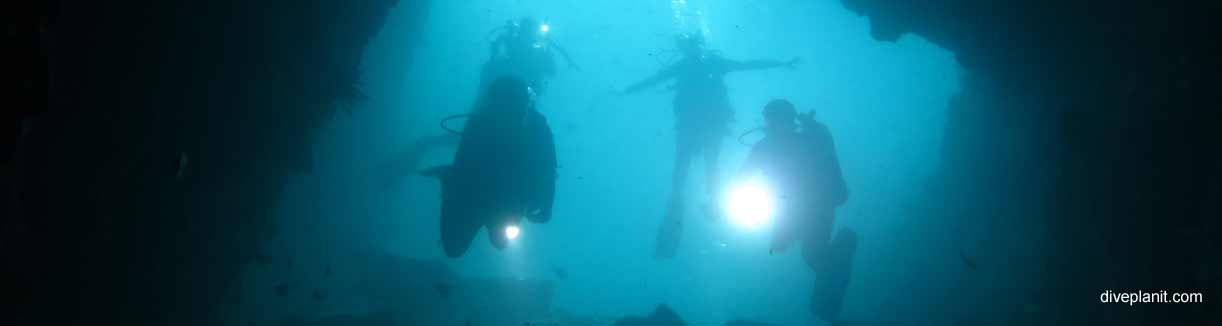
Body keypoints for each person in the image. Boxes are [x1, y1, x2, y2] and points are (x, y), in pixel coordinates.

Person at [621, 32, 800, 258]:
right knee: (697, 169)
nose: (692, 52)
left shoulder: (694, 65)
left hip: (699, 125)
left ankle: (700, 203)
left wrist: (626, 90)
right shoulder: (706, 64)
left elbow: (747, 65)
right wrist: (781, 64)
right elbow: (747, 65)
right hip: (704, 125)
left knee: (693, 170)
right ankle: (701, 203)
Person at [734, 99, 854, 320]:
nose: (775, 124)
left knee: (811, 253)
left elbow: (827, 150)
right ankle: (835, 270)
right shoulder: (767, 146)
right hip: (791, 207)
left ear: (789, 120)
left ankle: (840, 256)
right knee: (799, 251)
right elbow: (744, 174)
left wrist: (814, 127)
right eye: (772, 119)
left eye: (780, 119)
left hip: (817, 204)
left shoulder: (806, 140)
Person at [423, 77, 557, 258]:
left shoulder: (537, 128)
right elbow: (463, 161)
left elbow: (547, 168)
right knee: (453, 249)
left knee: (500, 243)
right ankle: (447, 183)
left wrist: (546, 203)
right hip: (473, 195)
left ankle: (449, 185)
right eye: (505, 103)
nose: (509, 110)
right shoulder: (481, 122)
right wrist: (452, 189)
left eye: (514, 103)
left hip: (509, 199)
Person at [479, 17, 579, 96]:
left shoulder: (535, 52)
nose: (527, 37)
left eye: (529, 33)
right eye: (526, 33)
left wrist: (546, 53)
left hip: (520, 94)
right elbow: (551, 71)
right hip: (512, 93)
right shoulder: (513, 45)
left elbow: (551, 71)